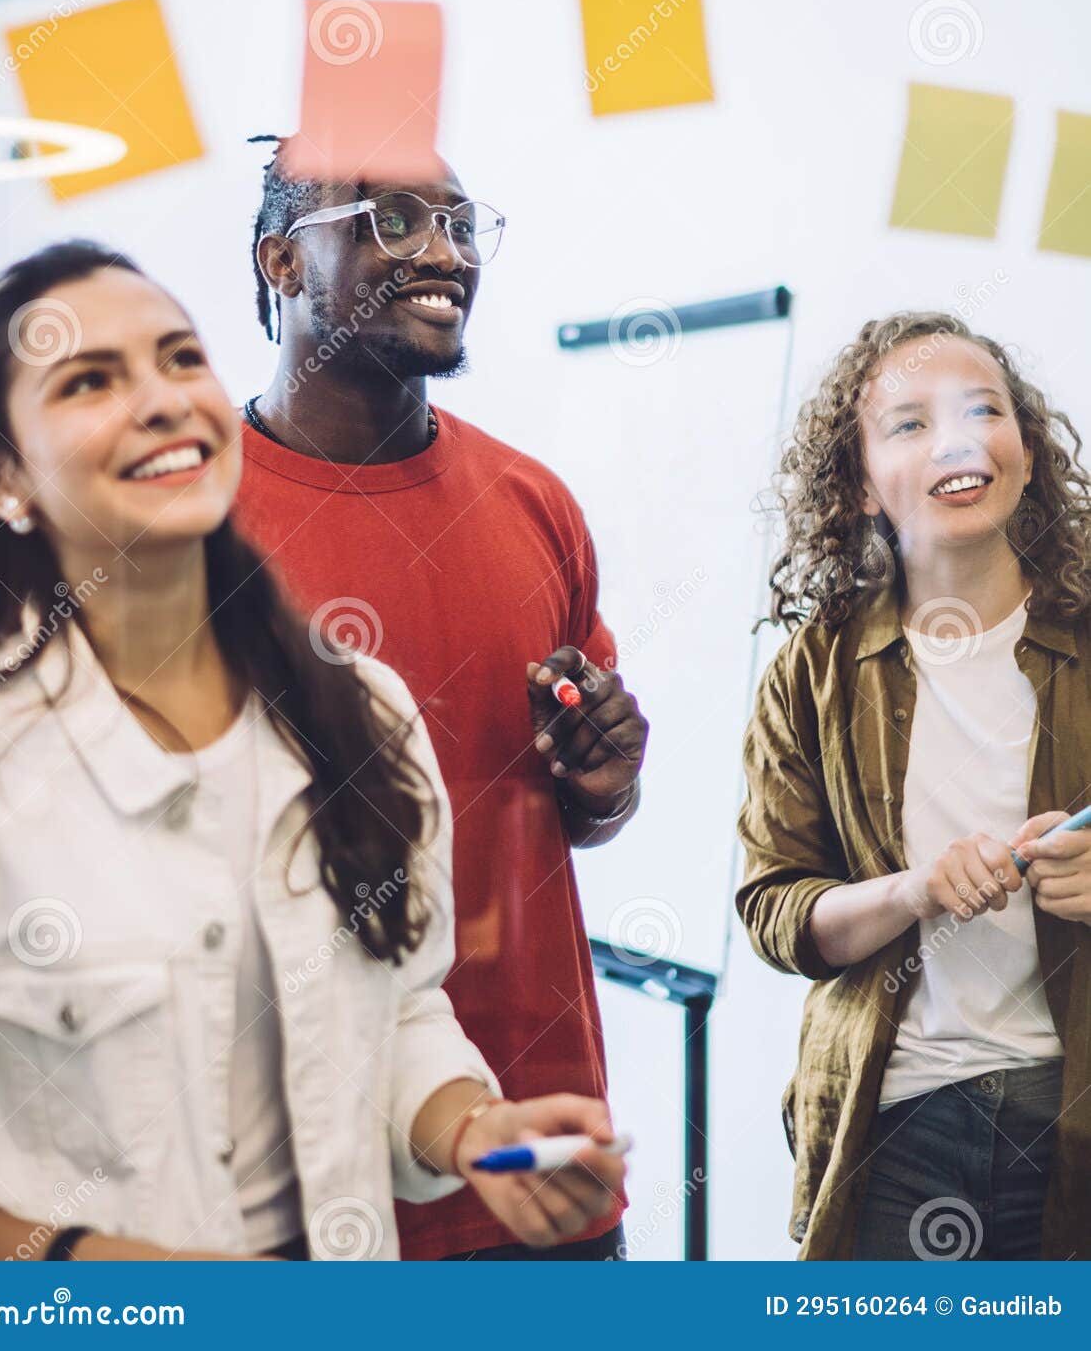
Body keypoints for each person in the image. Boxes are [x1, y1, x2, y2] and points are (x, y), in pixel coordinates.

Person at [0, 239, 627, 1262]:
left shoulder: (361, 711)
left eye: (179, 358)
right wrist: (116, 1274)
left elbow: (396, 1015)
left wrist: (474, 1130)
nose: (161, 400)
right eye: (89, 381)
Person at [237, 145, 649, 1259]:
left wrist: (606, 783)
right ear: (282, 262)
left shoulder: (533, 502)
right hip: (293, 1181)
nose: (444, 252)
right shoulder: (190, 527)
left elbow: (584, 816)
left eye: (462, 225)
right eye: (393, 218)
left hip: (538, 1150)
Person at [737, 311, 1091, 1261]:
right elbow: (775, 909)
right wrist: (914, 891)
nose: (959, 442)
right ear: (859, 483)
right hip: (895, 1129)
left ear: (1026, 451)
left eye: (985, 411)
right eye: (911, 424)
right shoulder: (811, 673)